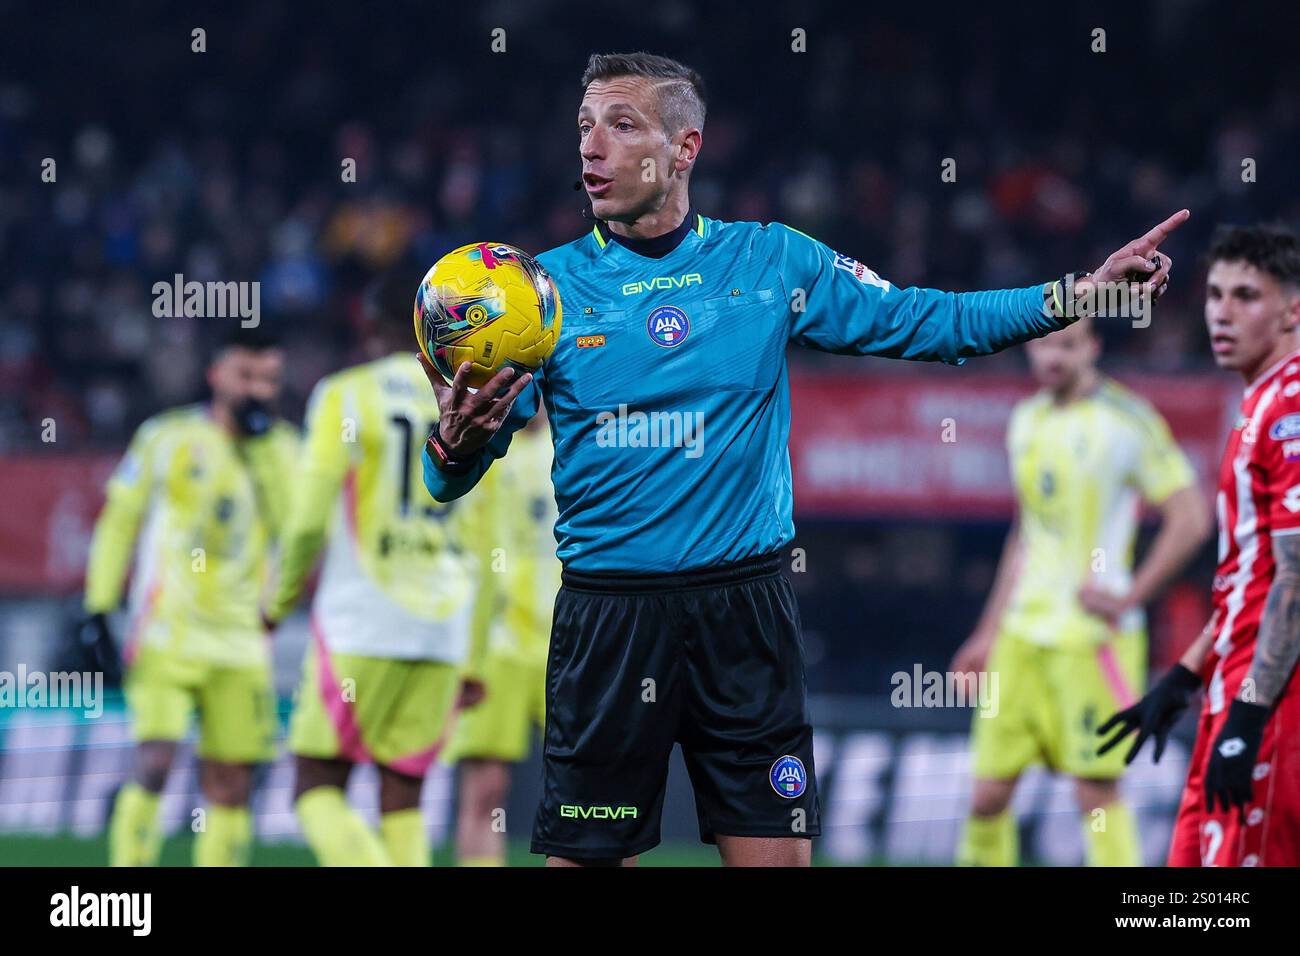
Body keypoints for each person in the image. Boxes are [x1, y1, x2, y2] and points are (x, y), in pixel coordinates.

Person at [419, 51, 1187, 867]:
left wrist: (1079, 293)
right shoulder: (543, 295)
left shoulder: (771, 262)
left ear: (685, 149)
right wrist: (455, 443)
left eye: (621, 124)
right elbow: (449, 474)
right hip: (610, 617)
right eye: (584, 127)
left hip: (742, 615)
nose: (591, 148)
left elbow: (929, 321)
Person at [951, 315, 1209, 866]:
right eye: (1042, 345)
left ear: (1092, 347)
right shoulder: (1025, 419)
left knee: (1094, 793)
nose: (1052, 358)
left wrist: (1130, 596)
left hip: (1093, 641)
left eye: (1067, 345)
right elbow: (1026, 533)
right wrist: (986, 632)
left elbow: (1190, 516)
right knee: (987, 794)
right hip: (1021, 635)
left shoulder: (1127, 420)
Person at [263, 270, 494, 866]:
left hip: (360, 622)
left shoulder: (347, 393)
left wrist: (278, 601)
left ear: (367, 325)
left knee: (315, 785)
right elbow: (486, 539)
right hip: (444, 626)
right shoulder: (467, 403)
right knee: (404, 797)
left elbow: (309, 518)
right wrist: (473, 653)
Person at [1098, 223, 1300, 866]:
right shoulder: (1258, 404)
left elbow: (1296, 579)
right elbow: (1257, 576)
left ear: (1293, 310)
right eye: (1214, 294)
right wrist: (1185, 676)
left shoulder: (1291, 407)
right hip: (1232, 689)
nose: (1222, 312)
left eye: (1246, 295)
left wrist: (1248, 716)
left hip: (1268, 706)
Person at [85, 327, 298, 866]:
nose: (257, 389)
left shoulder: (285, 451)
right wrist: (99, 604)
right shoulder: (165, 436)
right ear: (216, 375)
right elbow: (119, 522)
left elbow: (297, 534)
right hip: (168, 630)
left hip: (244, 641)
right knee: (155, 762)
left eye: (268, 378)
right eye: (246, 375)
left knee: (231, 780)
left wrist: (264, 451)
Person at [445, 410, 560, 867]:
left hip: (568, 645)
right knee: (486, 790)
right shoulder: (484, 455)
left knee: (586, 789)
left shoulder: (575, 446)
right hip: (498, 646)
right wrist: (465, 658)